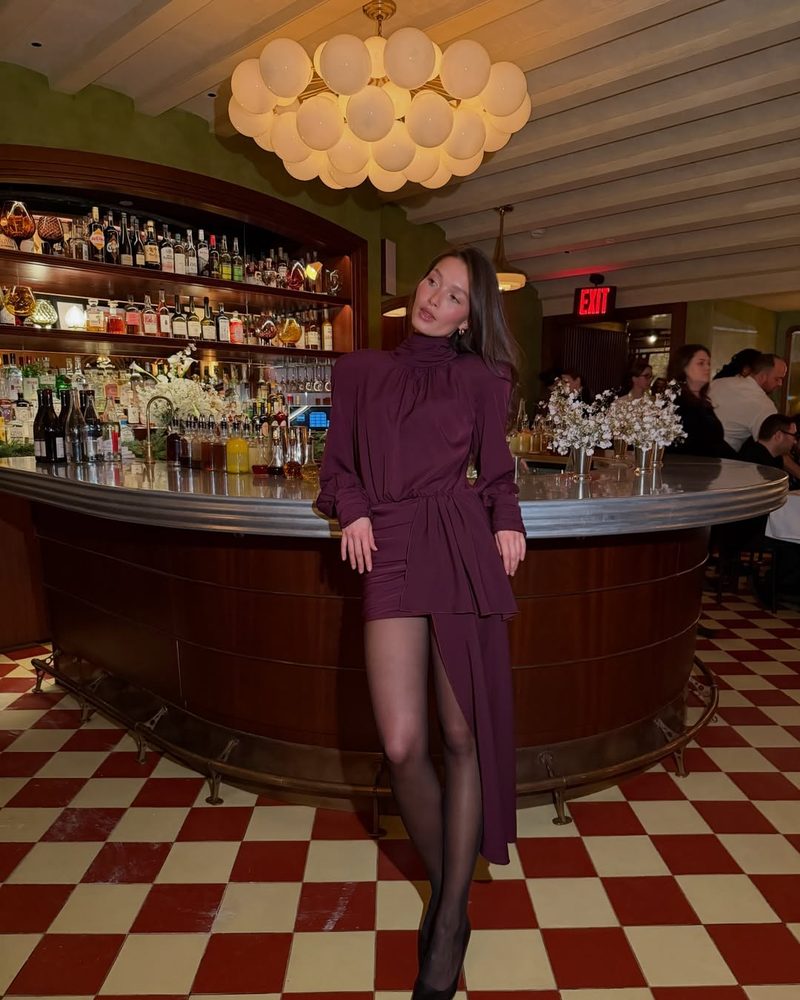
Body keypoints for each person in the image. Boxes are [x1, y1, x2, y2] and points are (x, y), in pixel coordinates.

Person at [316, 248, 527, 1000]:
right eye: (434, 281)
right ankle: (451, 891)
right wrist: (357, 508)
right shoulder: (359, 372)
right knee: (403, 743)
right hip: (395, 544)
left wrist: (508, 522)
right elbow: (338, 466)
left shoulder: (481, 378)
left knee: (462, 733)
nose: (436, 297)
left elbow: (496, 471)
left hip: (461, 542)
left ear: (474, 317)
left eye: (456, 295)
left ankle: (446, 918)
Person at [666, 344, 737, 458]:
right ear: (683, 366)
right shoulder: (675, 403)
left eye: (708, 363)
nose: (708, 368)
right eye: (701, 363)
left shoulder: (704, 402)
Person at [707, 352, 787, 451]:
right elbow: (771, 448)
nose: (780, 384)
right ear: (763, 376)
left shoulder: (718, 383)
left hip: (692, 451)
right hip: (721, 460)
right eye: (777, 379)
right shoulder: (764, 405)